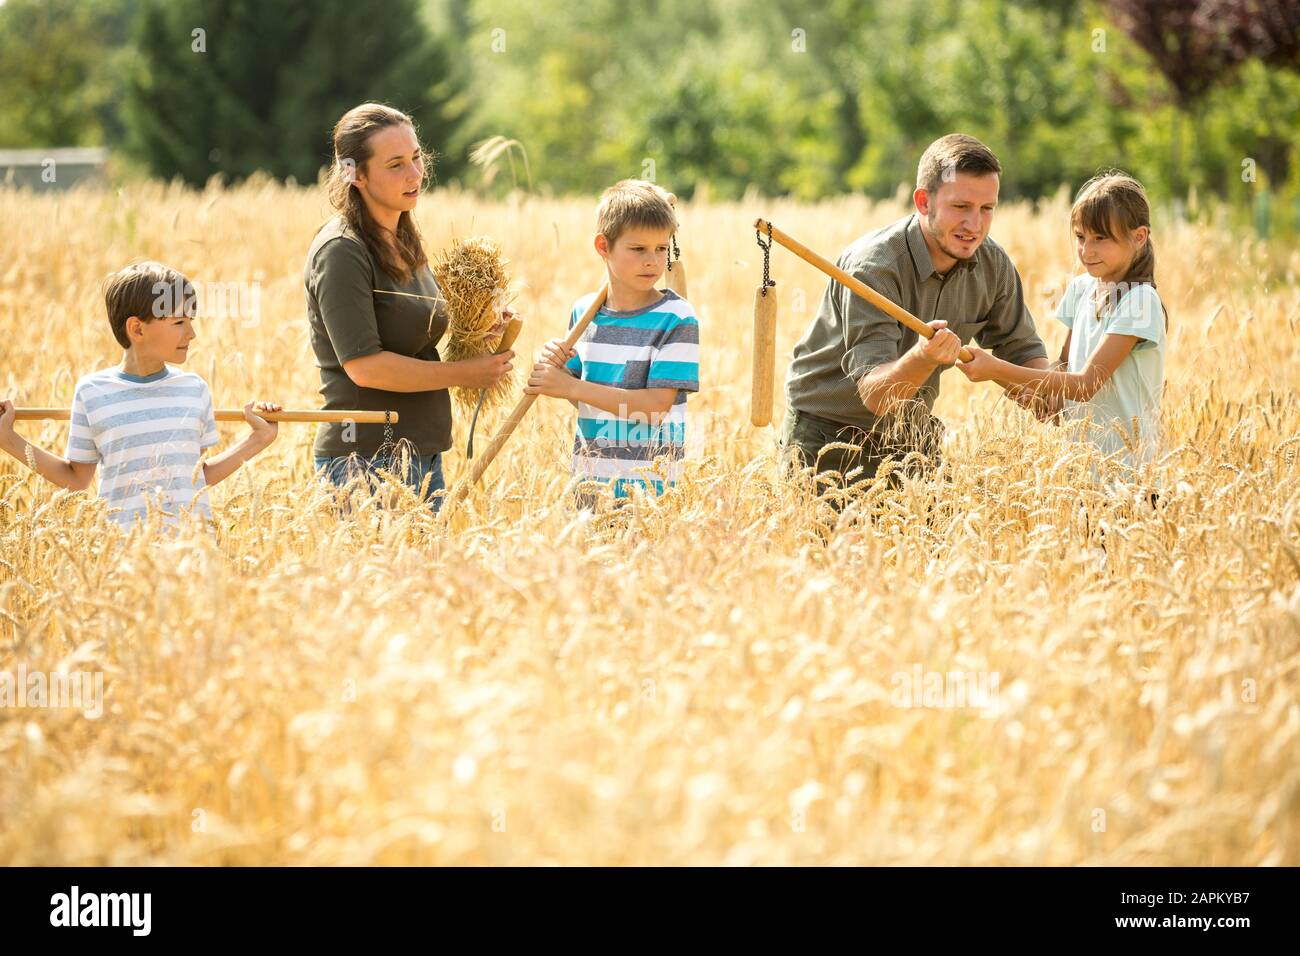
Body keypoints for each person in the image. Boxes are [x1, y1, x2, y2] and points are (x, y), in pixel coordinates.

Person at [780, 133, 1052, 488]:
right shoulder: (873, 268)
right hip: (828, 431)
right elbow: (878, 395)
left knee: (945, 540)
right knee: (828, 544)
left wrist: (1054, 393)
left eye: (987, 209)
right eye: (961, 207)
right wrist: (924, 356)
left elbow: (1024, 352)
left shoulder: (993, 264)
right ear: (924, 202)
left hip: (911, 434)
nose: (975, 224)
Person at [306, 102, 515, 511]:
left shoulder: (401, 234)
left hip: (421, 451)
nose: (416, 174)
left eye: (417, 157)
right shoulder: (342, 251)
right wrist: (464, 373)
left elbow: (415, 342)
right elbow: (364, 366)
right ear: (355, 174)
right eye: (396, 164)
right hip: (364, 459)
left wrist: (478, 334)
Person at [0, 261, 280, 529]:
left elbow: (194, 476)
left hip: (193, 553)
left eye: (190, 321)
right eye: (179, 322)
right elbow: (77, 479)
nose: (192, 333)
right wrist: (8, 439)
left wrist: (259, 439)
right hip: (125, 557)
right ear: (137, 328)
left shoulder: (194, 390)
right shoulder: (92, 392)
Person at [958, 171, 1166, 478]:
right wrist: (1039, 397)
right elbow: (1065, 369)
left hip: (1128, 475)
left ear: (1139, 237)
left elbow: (1084, 384)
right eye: (1081, 237)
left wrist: (996, 368)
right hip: (1080, 471)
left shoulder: (1140, 301)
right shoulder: (1082, 288)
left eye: (1100, 238)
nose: (1086, 250)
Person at [525, 180, 700, 507]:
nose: (652, 261)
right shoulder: (584, 313)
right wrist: (558, 371)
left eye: (661, 248)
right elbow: (583, 400)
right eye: (638, 249)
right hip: (589, 485)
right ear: (603, 246)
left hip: (650, 492)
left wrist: (571, 388)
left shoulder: (676, 318)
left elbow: (654, 409)